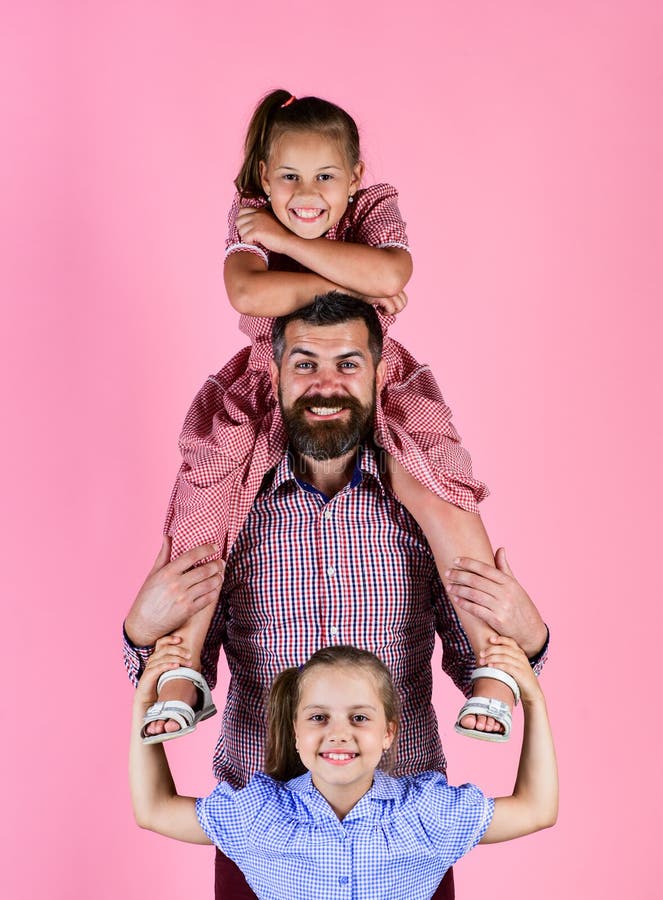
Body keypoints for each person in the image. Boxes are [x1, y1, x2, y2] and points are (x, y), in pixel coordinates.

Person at [125, 294, 550, 899]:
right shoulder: (232, 507)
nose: (326, 386)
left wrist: (528, 637)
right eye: (305, 365)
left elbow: (479, 661)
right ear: (274, 378)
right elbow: (178, 667)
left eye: (348, 364)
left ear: (379, 374)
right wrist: (140, 633)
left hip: (399, 838)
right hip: (263, 836)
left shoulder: (422, 504)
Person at [152, 89, 518, 743]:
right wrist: (354, 284)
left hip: (374, 381)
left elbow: (393, 269)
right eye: (288, 175)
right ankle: (180, 668)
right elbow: (247, 291)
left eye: (324, 177)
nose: (305, 192)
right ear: (265, 176)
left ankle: (493, 663)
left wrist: (311, 258)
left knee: (440, 494)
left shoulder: (373, 209)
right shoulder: (252, 216)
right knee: (204, 508)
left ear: (353, 178)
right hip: (271, 384)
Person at [130, 641, 558, 900]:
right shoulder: (259, 814)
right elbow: (154, 810)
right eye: (318, 718)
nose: (338, 734)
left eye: (359, 718)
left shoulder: (427, 813)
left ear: (389, 732)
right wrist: (141, 705)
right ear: (295, 732)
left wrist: (535, 702)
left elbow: (537, 810)